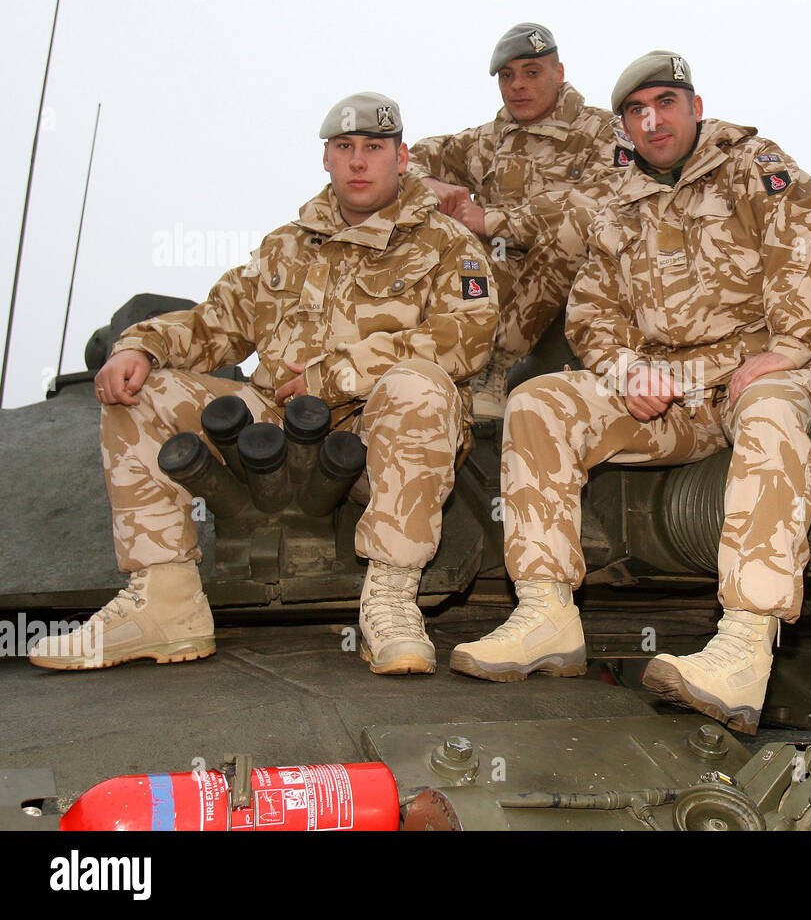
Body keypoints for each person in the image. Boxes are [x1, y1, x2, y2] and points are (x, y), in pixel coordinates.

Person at [30, 92, 497, 676]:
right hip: (273, 426)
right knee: (142, 390)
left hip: (370, 441)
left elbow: (469, 335)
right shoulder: (287, 246)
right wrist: (141, 344)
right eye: (344, 147)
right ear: (325, 158)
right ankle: (166, 601)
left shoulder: (446, 243)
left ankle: (391, 600)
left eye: (373, 148)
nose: (358, 161)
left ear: (402, 157)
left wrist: (333, 376)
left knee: (423, 385)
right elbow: (214, 323)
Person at [450, 51, 811, 735]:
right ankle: (546, 614)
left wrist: (787, 345)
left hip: (764, 368)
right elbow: (592, 314)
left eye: (665, 102)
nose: (652, 119)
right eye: (636, 110)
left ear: (695, 105)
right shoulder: (617, 207)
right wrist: (628, 369)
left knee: (775, 409)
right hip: (675, 397)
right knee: (540, 404)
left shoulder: (754, 167)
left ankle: (746, 645)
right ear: (625, 125)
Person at [406, 22, 630, 419]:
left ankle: (498, 361)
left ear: (558, 74)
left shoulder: (603, 131)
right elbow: (410, 159)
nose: (517, 86)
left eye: (531, 72)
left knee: (576, 226)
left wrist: (491, 218)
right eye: (507, 77)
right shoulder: (488, 141)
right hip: (495, 271)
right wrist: (430, 184)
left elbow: (603, 201)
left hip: (573, 275)